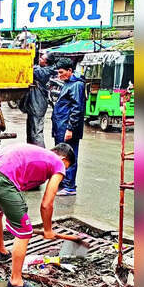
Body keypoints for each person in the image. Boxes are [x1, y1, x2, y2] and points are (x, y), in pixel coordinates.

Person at [0, 142, 77, 287]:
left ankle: (2, 252)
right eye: (67, 167)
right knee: (24, 231)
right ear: (64, 159)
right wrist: (48, 230)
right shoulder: (58, 163)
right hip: (2, 179)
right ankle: (16, 282)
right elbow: (47, 204)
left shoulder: (38, 153)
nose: (63, 173)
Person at [50, 57, 86, 196]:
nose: (59, 75)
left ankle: (70, 186)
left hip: (67, 128)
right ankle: (63, 182)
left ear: (70, 71)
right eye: (58, 73)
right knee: (61, 156)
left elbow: (77, 109)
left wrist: (70, 128)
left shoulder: (76, 85)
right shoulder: (67, 83)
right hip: (61, 126)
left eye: (61, 72)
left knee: (69, 156)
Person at [21, 52, 53, 147]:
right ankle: (32, 152)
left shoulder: (46, 71)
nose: (39, 59)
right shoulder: (44, 69)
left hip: (38, 106)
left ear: (47, 62)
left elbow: (32, 70)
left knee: (36, 132)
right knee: (31, 131)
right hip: (34, 105)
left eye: (42, 58)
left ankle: (41, 155)